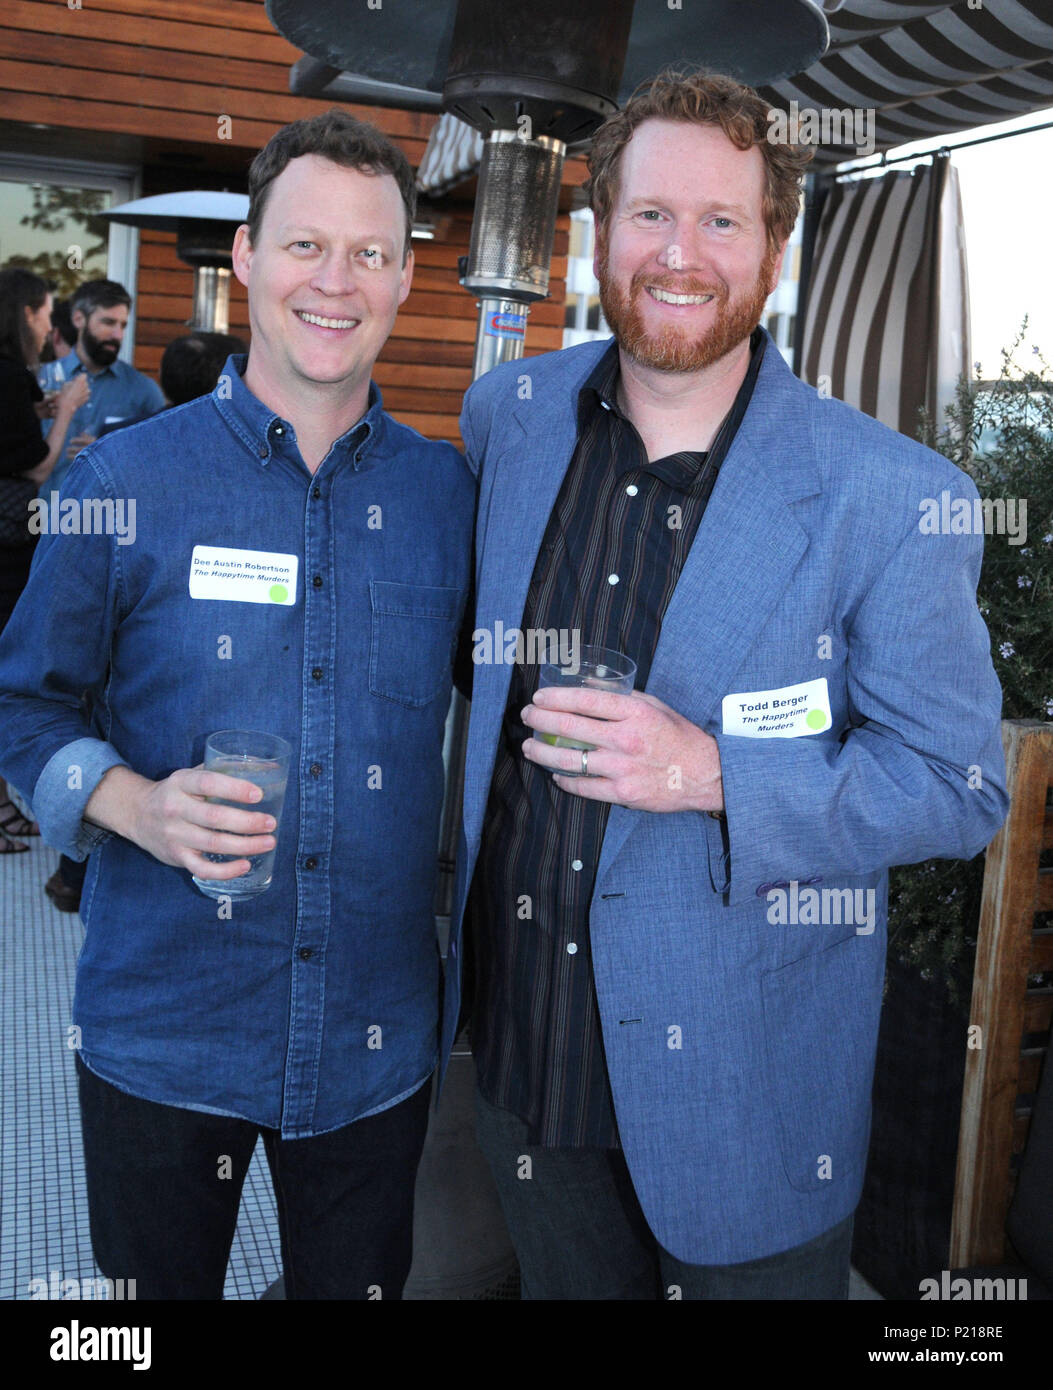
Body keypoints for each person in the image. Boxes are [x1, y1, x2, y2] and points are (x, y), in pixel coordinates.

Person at [444, 70, 1009, 1300]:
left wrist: (710, 773)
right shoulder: (512, 416)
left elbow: (961, 786)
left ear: (774, 247)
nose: (679, 255)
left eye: (721, 221)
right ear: (598, 230)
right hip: (524, 1063)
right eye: (649, 215)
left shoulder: (888, 493)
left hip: (747, 1102)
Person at [0, 110, 474, 1298]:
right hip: (166, 1032)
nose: (336, 280)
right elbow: (21, 706)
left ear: (407, 278)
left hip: (374, 1042)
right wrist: (135, 806)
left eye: (370, 253)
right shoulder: (124, 483)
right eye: (306, 246)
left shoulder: (447, 501)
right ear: (247, 261)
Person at [45, 329, 249, 909]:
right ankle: (76, 876)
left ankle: (71, 875)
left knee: (100, 737)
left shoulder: (118, 443)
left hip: (106, 656)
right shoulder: (138, 460)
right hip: (122, 652)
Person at [0, 267, 89, 851]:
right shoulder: (9, 376)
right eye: (45, 312)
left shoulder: (10, 378)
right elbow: (33, 466)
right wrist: (65, 413)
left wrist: (44, 412)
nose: (49, 323)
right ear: (25, 313)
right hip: (7, 541)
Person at [40, 278, 164, 492]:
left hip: (112, 521)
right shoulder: (42, 380)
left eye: (123, 325)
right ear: (79, 319)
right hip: (41, 517)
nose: (118, 335)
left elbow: (163, 463)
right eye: (108, 322)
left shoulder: (144, 391)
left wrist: (110, 456)